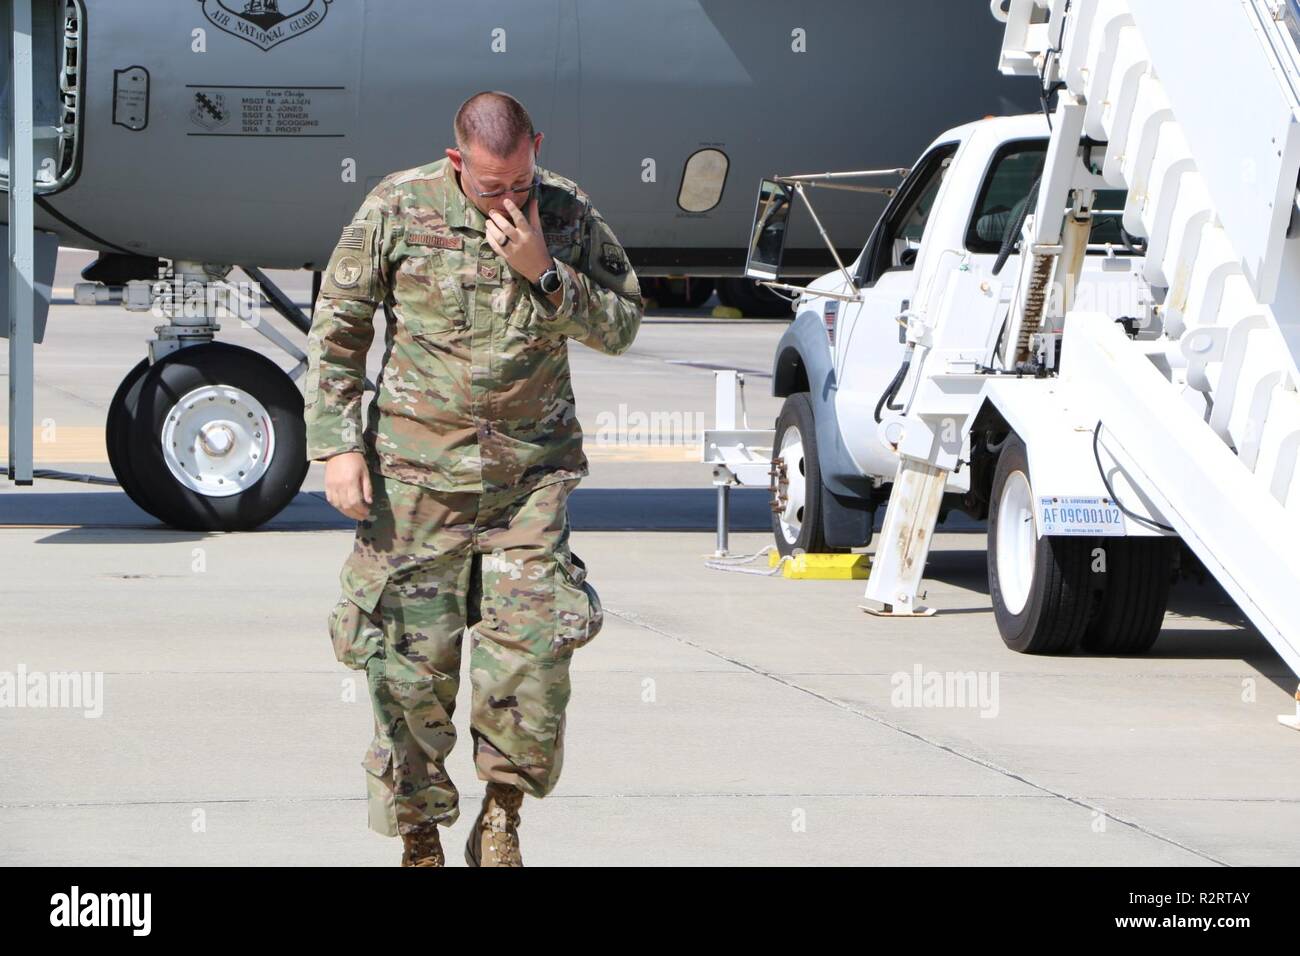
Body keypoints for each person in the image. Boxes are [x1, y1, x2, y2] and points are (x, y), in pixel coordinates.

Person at [303, 90, 643, 866]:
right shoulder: (397, 206)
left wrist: (545, 273)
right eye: (491, 188)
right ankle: (419, 834)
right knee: (409, 666)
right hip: (418, 483)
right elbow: (339, 329)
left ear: (536, 151)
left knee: (530, 653)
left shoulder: (565, 212)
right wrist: (339, 447)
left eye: (520, 183)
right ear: (458, 163)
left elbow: (623, 323)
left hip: (531, 480)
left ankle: (501, 818)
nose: (509, 200)